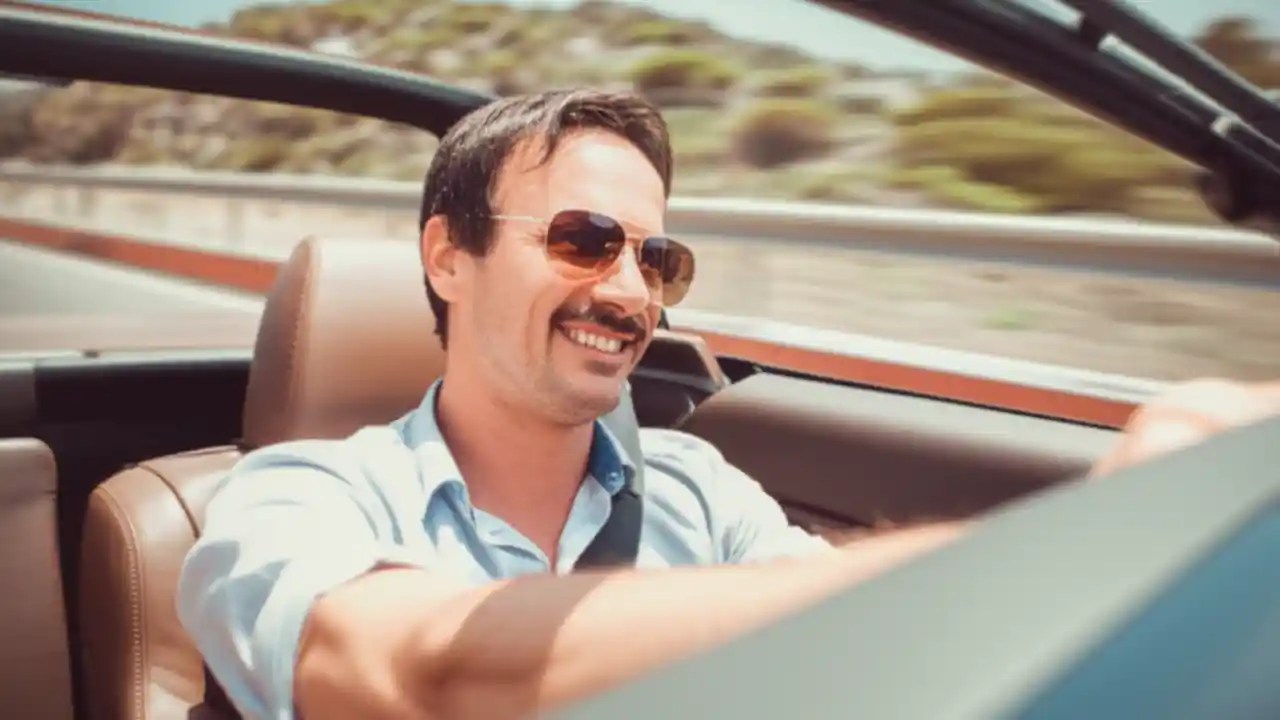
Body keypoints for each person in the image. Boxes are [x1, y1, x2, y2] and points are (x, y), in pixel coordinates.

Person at [176, 88, 1280, 720]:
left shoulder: (698, 491)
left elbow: (848, 630)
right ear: (446, 258)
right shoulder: (293, 497)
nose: (625, 289)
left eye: (656, 257)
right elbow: (422, 670)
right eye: (580, 239)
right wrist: (1084, 556)